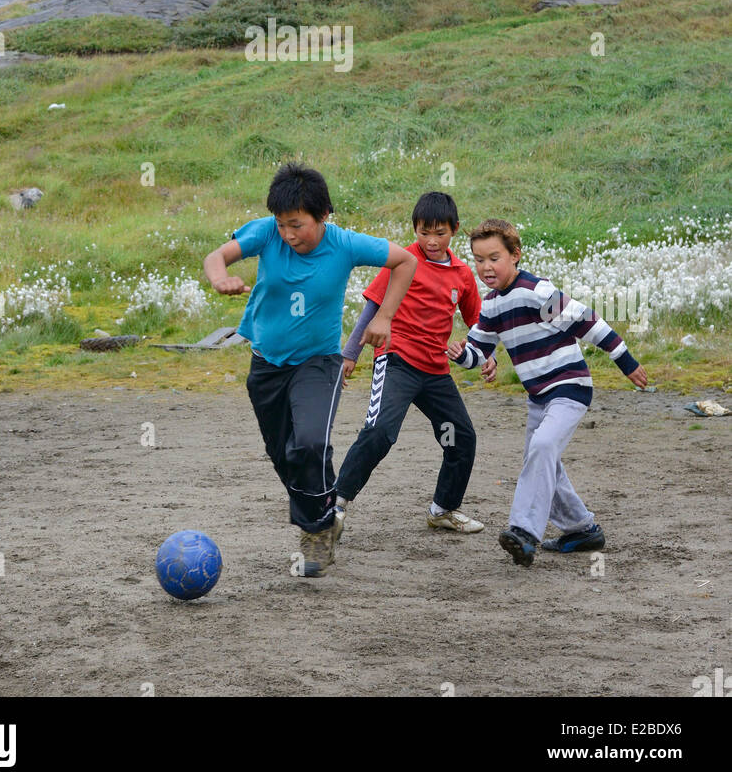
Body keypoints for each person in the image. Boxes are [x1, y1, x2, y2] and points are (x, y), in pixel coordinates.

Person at [203, 162, 416, 577]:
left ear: (322, 216)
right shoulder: (266, 232)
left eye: (297, 224)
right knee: (284, 453)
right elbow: (218, 256)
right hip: (266, 364)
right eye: (283, 224)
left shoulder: (346, 244)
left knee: (310, 443)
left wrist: (384, 317)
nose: (288, 234)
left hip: (319, 363)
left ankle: (317, 529)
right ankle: (324, 507)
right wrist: (219, 277)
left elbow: (405, 261)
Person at [448, 218, 648, 566]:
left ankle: (524, 533)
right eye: (478, 260)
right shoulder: (493, 304)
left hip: (569, 388)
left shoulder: (536, 292)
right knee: (541, 462)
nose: (485, 267)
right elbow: (479, 351)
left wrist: (626, 361)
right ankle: (582, 529)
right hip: (539, 397)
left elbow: (587, 321)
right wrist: (460, 354)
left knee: (541, 449)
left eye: (494, 257)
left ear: (515, 255)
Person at [335, 192, 486, 538]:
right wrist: (349, 354)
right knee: (380, 432)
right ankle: (335, 505)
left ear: (455, 230)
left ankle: (443, 509)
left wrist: (486, 356)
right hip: (397, 360)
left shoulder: (462, 275)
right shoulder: (403, 262)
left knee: (460, 436)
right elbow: (372, 309)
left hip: (435, 370)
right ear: (415, 230)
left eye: (440, 233)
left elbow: (479, 324)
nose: (431, 241)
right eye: (423, 233)